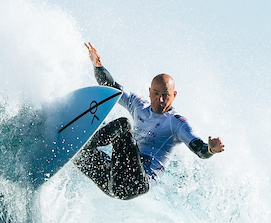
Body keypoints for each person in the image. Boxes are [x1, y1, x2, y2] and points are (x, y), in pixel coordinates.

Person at [74, 42, 225, 200]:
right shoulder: (138, 106)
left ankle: (83, 142)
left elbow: (200, 149)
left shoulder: (177, 123)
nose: (160, 99)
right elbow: (110, 86)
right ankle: (70, 148)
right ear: (149, 92)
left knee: (123, 125)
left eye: (166, 94)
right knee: (80, 155)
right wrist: (97, 65)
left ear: (174, 95)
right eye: (156, 93)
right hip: (113, 181)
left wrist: (211, 150)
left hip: (136, 183)